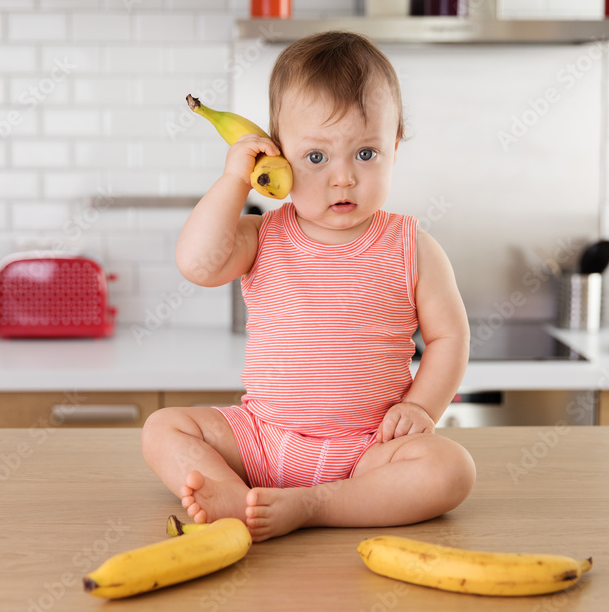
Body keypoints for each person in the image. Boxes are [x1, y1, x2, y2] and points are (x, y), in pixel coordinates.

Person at [142, 31, 475, 542]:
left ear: (395, 146)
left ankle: (315, 506)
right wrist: (234, 181)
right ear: (276, 156)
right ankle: (233, 493)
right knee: (163, 428)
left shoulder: (414, 247)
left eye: (366, 154)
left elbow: (450, 340)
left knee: (451, 469)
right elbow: (197, 264)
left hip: (367, 449)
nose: (343, 178)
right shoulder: (260, 236)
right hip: (262, 439)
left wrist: (420, 408)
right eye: (317, 158)